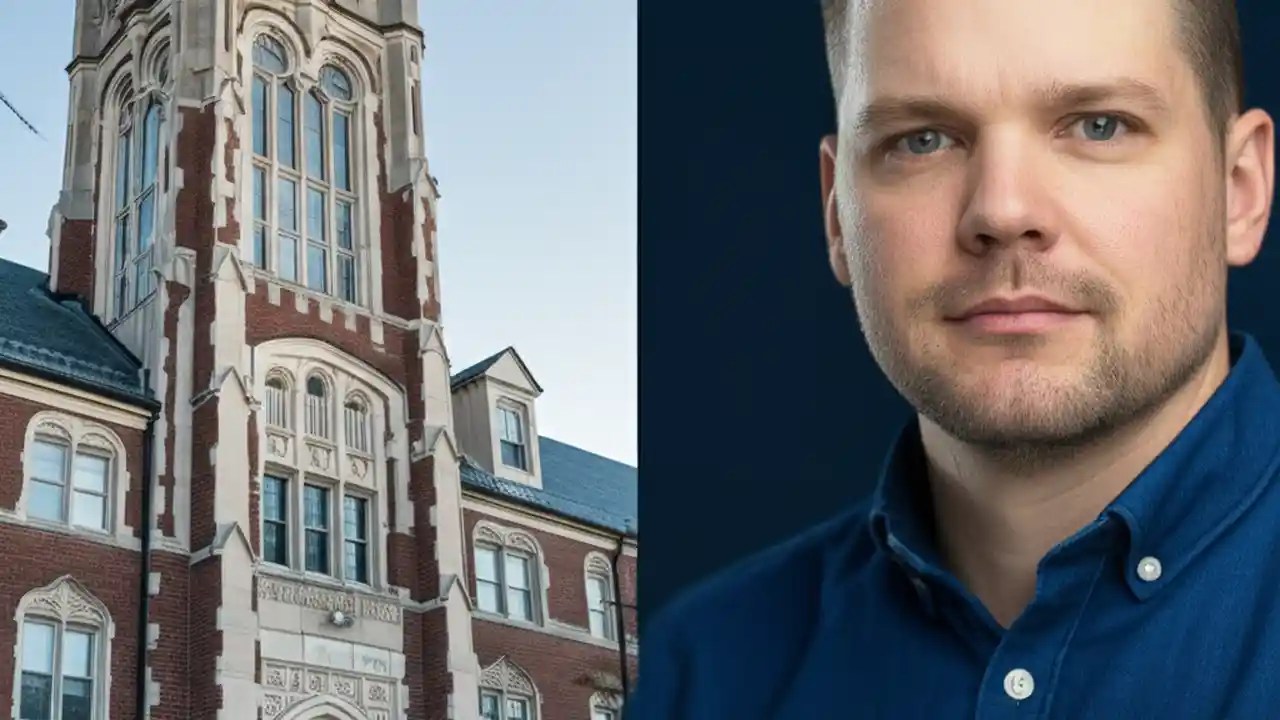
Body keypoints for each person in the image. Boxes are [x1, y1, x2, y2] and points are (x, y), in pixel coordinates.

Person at [627, 0, 1280, 717]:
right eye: (924, 140)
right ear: (838, 212)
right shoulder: (702, 672)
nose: (1001, 211)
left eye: (1100, 125)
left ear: (1238, 190)